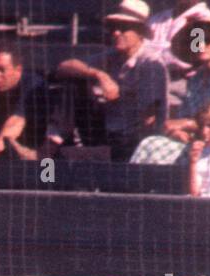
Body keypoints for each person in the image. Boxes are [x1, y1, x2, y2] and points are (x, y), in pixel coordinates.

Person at [54, 0, 168, 162]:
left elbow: (149, 119)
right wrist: (100, 75)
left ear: (140, 32)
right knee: (74, 81)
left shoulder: (151, 64)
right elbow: (63, 66)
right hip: (106, 130)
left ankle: (55, 152)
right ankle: (53, 142)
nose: (115, 33)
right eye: (113, 28)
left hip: (132, 139)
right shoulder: (111, 56)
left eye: (123, 28)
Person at [131, 8, 210, 166]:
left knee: (153, 146)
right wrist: (178, 132)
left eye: (207, 40)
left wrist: (186, 124)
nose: (201, 45)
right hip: (193, 138)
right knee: (149, 143)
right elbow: (184, 115)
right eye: (196, 40)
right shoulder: (195, 78)